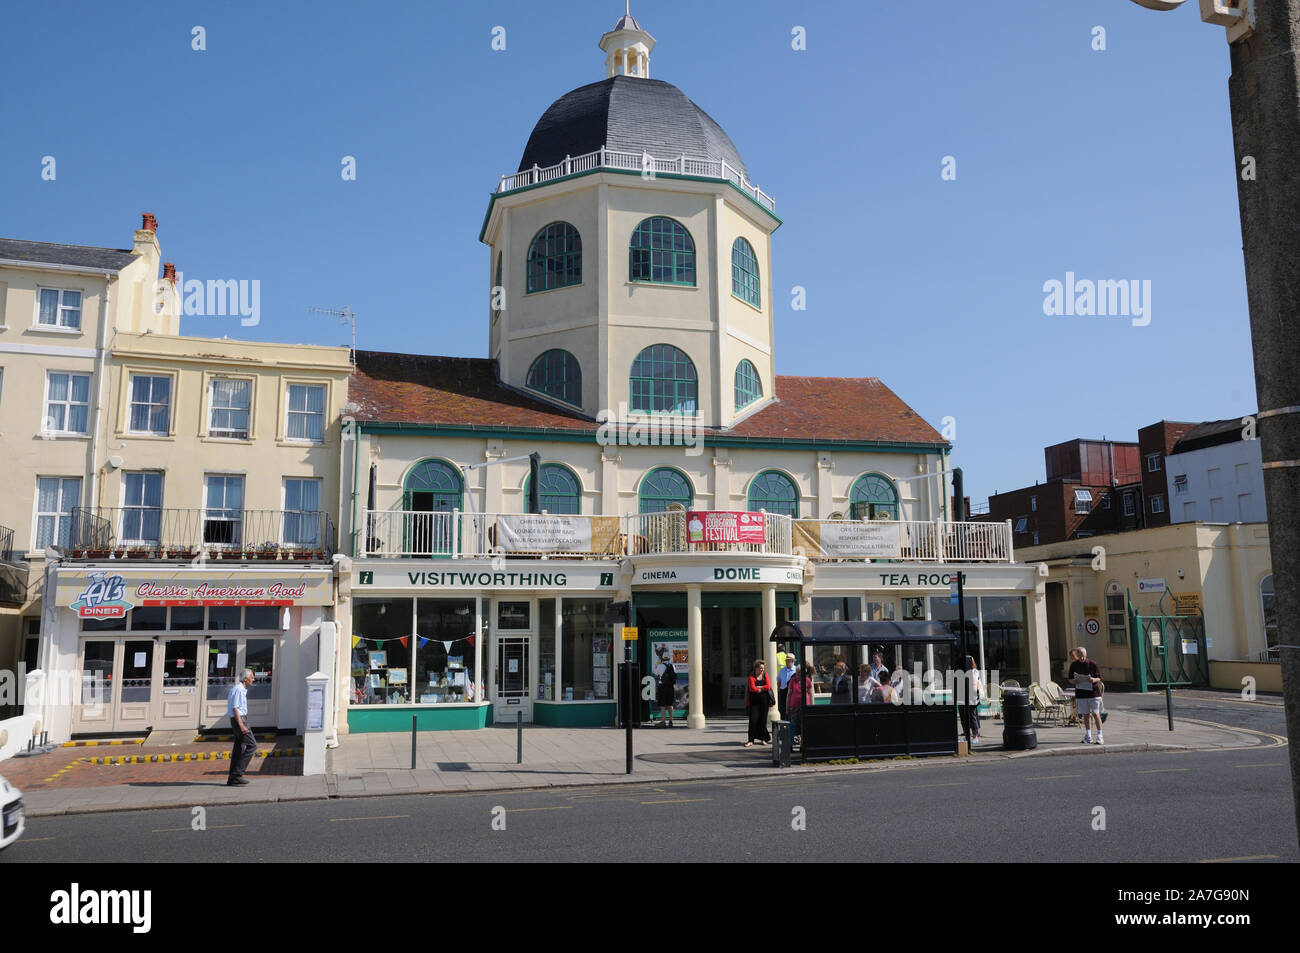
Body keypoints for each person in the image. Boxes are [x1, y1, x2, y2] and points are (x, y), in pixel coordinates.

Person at [226, 669, 257, 785]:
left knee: (238, 748)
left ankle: (232, 778)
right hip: (239, 720)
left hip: (238, 719)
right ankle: (237, 774)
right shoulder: (239, 690)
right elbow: (235, 708)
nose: (253, 679)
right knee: (252, 745)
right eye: (252, 677)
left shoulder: (240, 689)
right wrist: (241, 725)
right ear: (245, 679)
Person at [1068, 646, 1104, 744]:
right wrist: (1074, 681)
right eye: (1080, 656)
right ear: (1077, 655)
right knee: (1085, 715)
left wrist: (1093, 679)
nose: (1082, 658)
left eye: (1083, 656)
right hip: (1081, 693)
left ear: (1086, 655)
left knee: (1096, 714)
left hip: (1093, 693)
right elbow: (1070, 679)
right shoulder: (1074, 665)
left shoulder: (1093, 664)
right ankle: (1088, 735)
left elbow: (1099, 678)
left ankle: (1100, 736)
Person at [745, 659, 773, 747]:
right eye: (760, 668)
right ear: (756, 668)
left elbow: (768, 686)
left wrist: (759, 688)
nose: (762, 670)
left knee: (762, 720)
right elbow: (752, 688)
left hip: (764, 701)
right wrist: (761, 688)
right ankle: (750, 740)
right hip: (754, 702)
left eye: (763, 668)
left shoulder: (765, 675)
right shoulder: (751, 677)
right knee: (753, 720)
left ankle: (763, 739)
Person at [786, 662, 814, 745]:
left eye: (799, 672)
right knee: (794, 725)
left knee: (804, 724)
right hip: (794, 706)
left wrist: (812, 706)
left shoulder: (807, 680)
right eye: (797, 671)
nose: (797, 673)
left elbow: (811, 694)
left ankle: (804, 742)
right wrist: (787, 708)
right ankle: (795, 741)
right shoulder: (792, 680)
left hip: (805, 706)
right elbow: (789, 694)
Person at [958, 656, 982, 744]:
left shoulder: (974, 671)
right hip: (962, 697)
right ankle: (967, 735)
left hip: (971, 697)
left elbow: (974, 686)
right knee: (964, 717)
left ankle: (975, 736)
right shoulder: (960, 671)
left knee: (972, 716)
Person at [656, 656, 677, 727]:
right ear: (669, 659)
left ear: (662, 660)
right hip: (670, 687)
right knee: (670, 704)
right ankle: (671, 720)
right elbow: (675, 675)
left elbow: (656, 673)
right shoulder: (672, 666)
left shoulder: (660, 666)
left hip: (662, 686)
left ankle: (663, 721)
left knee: (662, 704)